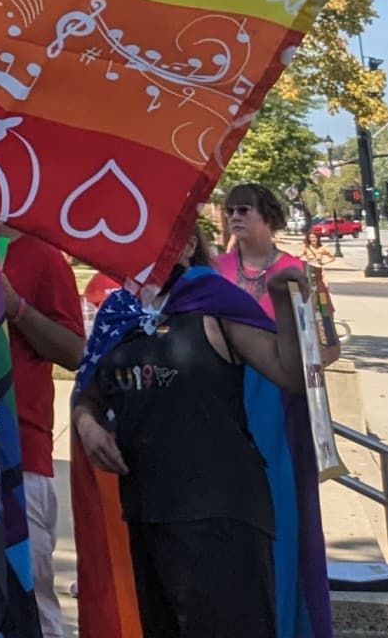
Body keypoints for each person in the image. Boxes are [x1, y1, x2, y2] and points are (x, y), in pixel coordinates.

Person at [73, 219, 306, 638]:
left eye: (160, 241)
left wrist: (284, 304)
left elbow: (290, 373)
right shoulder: (117, 316)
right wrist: (88, 425)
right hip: (146, 511)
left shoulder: (213, 303)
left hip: (218, 514)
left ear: (187, 248)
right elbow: (90, 396)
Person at [215, 182, 335, 638]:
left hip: (279, 409)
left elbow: (329, 344)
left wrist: (305, 352)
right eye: (229, 211)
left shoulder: (299, 271)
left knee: (280, 517)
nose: (234, 218)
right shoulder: (214, 270)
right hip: (222, 403)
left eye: (243, 210)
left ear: (268, 215)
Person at [0, 225, 86, 638]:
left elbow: (75, 351)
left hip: (21, 452)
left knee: (30, 596)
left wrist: (17, 308)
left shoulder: (44, 256)